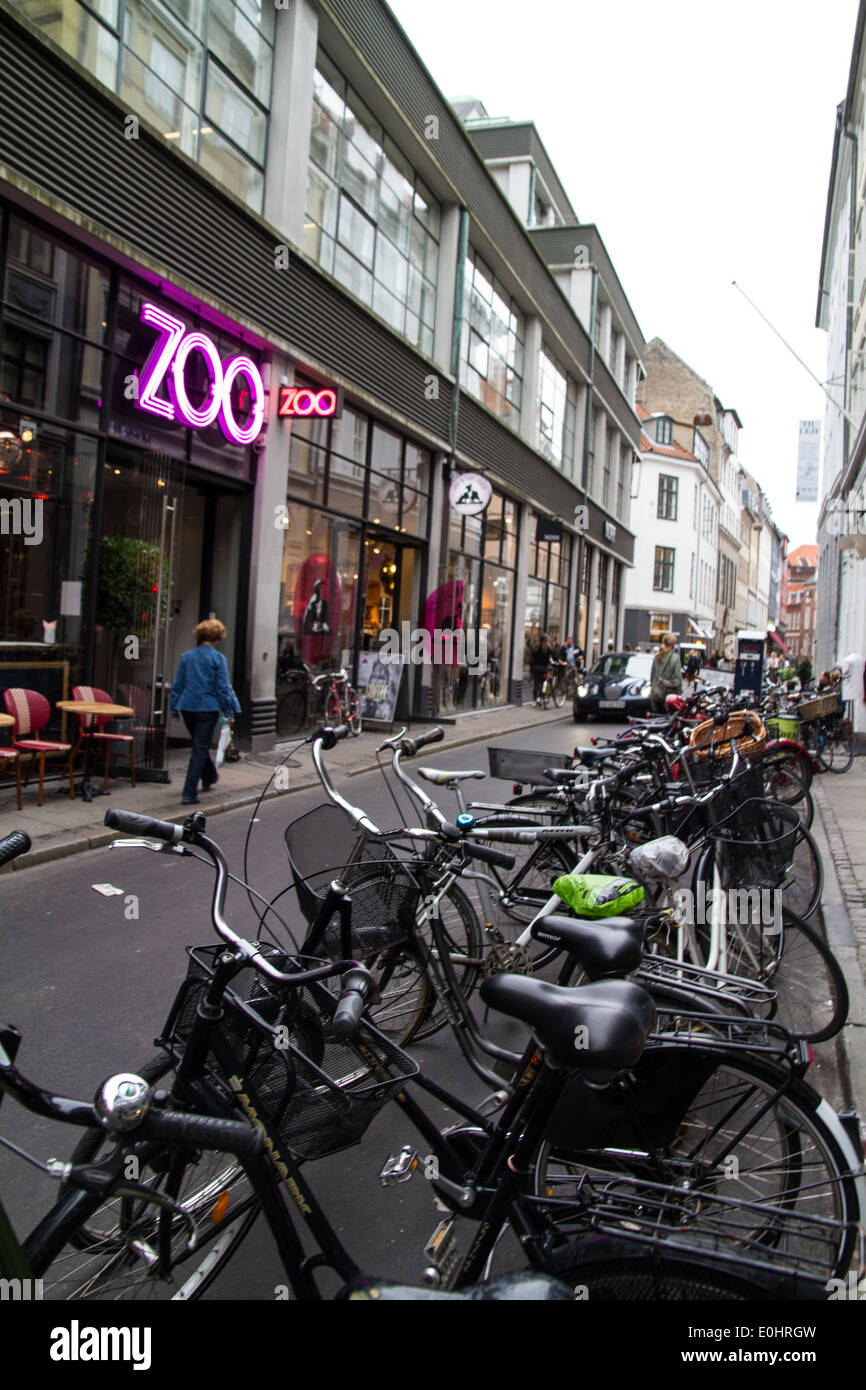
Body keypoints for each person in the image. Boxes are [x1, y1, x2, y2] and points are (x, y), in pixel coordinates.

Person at [171, 618, 241, 805]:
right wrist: (229, 712)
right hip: (208, 709)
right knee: (199, 748)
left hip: (187, 707)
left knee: (199, 745)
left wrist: (173, 709)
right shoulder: (218, 658)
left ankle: (209, 776)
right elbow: (223, 689)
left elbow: (178, 685)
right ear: (218, 637)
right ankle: (189, 793)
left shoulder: (187, 657)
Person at [650, 632, 682, 714]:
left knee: (657, 718)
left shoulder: (657, 656)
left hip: (657, 694)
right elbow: (678, 678)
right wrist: (679, 694)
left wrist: (653, 691)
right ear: (673, 645)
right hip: (669, 695)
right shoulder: (675, 658)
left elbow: (652, 676)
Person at [530, 632, 552, 706]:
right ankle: (539, 697)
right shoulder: (547, 648)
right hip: (544, 668)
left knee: (536, 684)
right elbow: (552, 656)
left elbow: (532, 657)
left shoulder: (535, 647)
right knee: (543, 683)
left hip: (535, 668)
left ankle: (534, 700)